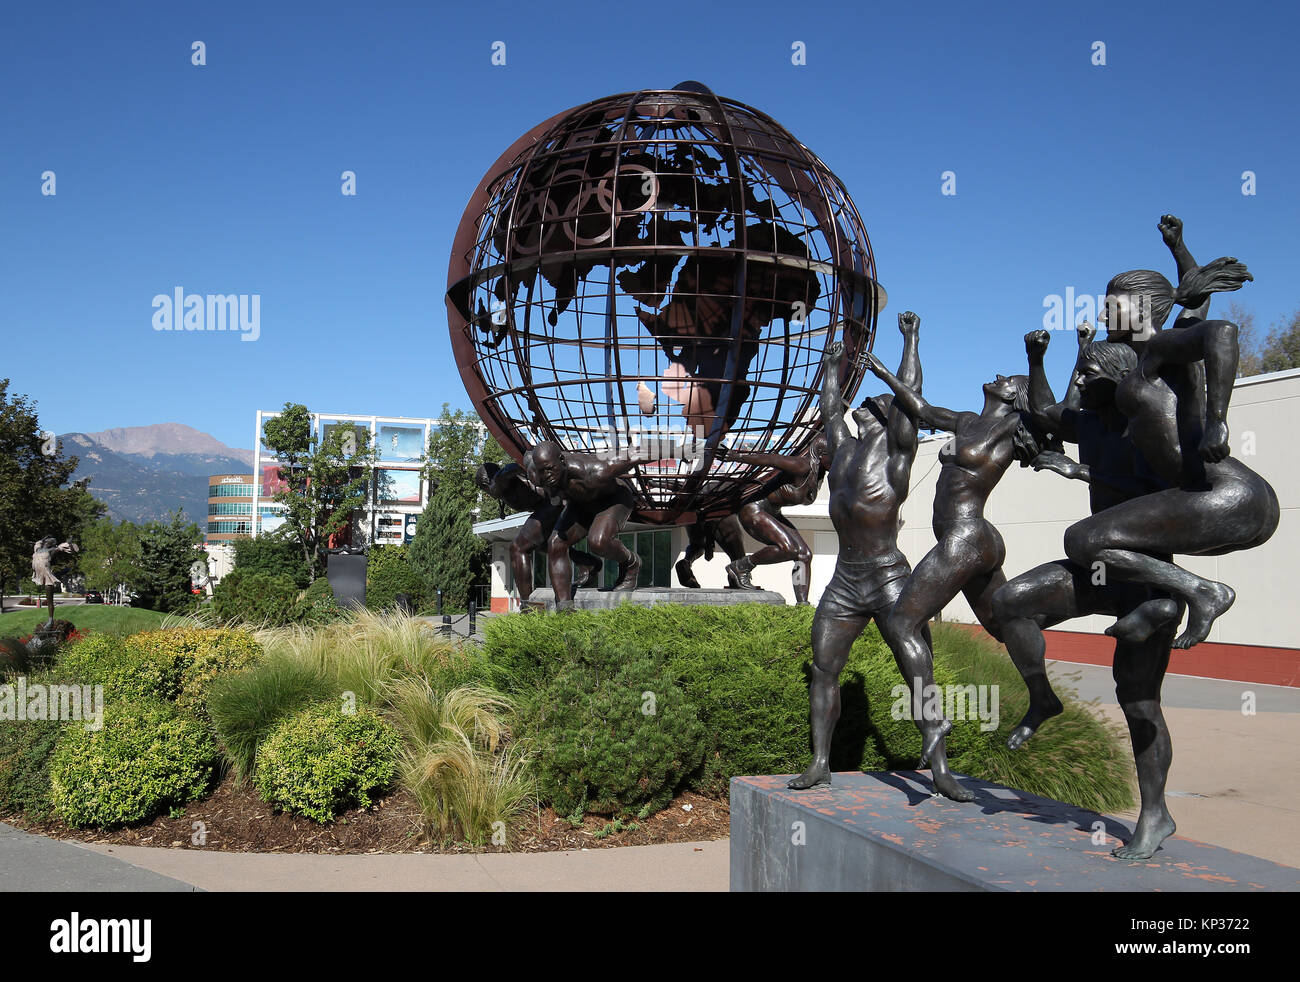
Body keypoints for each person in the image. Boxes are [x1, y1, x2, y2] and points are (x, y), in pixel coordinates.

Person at [1062, 215, 1279, 649]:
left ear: (1141, 309)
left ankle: (1203, 592)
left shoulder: (1160, 348)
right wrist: (1178, 248)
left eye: (1113, 304)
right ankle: (1160, 604)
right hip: (1241, 500)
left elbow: (1221, 333)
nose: (1104, 313)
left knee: (1083, 539)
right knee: (1121, 538)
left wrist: (1218, 419)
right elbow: (1196, 302)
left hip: (1225, 494)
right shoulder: (1160, 349)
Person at [788, 312, 972, 802]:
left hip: (889, 576)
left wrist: (911, 337)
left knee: (918, 668)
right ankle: (821, 764)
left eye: (873, 404)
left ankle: (939, 768)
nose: (862, 409)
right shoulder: (843, 447)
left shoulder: (896, 450)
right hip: (846, 579)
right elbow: (829, 409)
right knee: (825, 668)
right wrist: (830, 366)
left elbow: (911, 393)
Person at [860, 340, 1055, 774]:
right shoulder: (968, 421)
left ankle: (932, 720)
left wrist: (1035, 360)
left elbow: (1047, 412)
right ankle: (1042, 696)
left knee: (901, 623)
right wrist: (886, 374)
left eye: (1007, 379)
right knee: (1006, 622)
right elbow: (924, 410)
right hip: (970, 539)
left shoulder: (1010, 427)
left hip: (966, 538)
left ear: (1013, 395)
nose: (998, 376)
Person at [529, 441, 644, 610]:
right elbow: (525, 460)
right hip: (581, 504)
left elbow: (639, 452)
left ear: (561, 460)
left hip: (612, 500)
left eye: (550, 468)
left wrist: (684, 449)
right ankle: (565, 608)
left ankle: (631, 563)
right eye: (542, 471)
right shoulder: (537, 475)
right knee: (555, 544)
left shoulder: (596, 469)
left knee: (598, 542)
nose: (547, 475)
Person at [714, 435, 828, 604]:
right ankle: (741, 566)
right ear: (820, 454)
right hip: (753, 510)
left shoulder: (819, 474)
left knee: (804, 554)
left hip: (771, 512)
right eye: (834, 455)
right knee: (788, 549)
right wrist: (735, 456)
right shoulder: (802, 466)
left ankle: (802, 604)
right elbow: (772, 459)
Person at [475, 459, 602, 605]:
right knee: (543, 545)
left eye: (483, 487)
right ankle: (588, 562)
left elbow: (511, 468)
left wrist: (527, 472)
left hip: (554, 503)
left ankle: (528, 604)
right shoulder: (502, 490)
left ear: (485, 482)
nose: (486, 492)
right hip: (550, 506)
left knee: (518, 548)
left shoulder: (498, 482)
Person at [675, 514, 747, 588]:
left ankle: (686, 561)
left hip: (694, 513)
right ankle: (737, 580)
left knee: (697, 546)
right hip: (722, 511)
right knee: (738, 555)